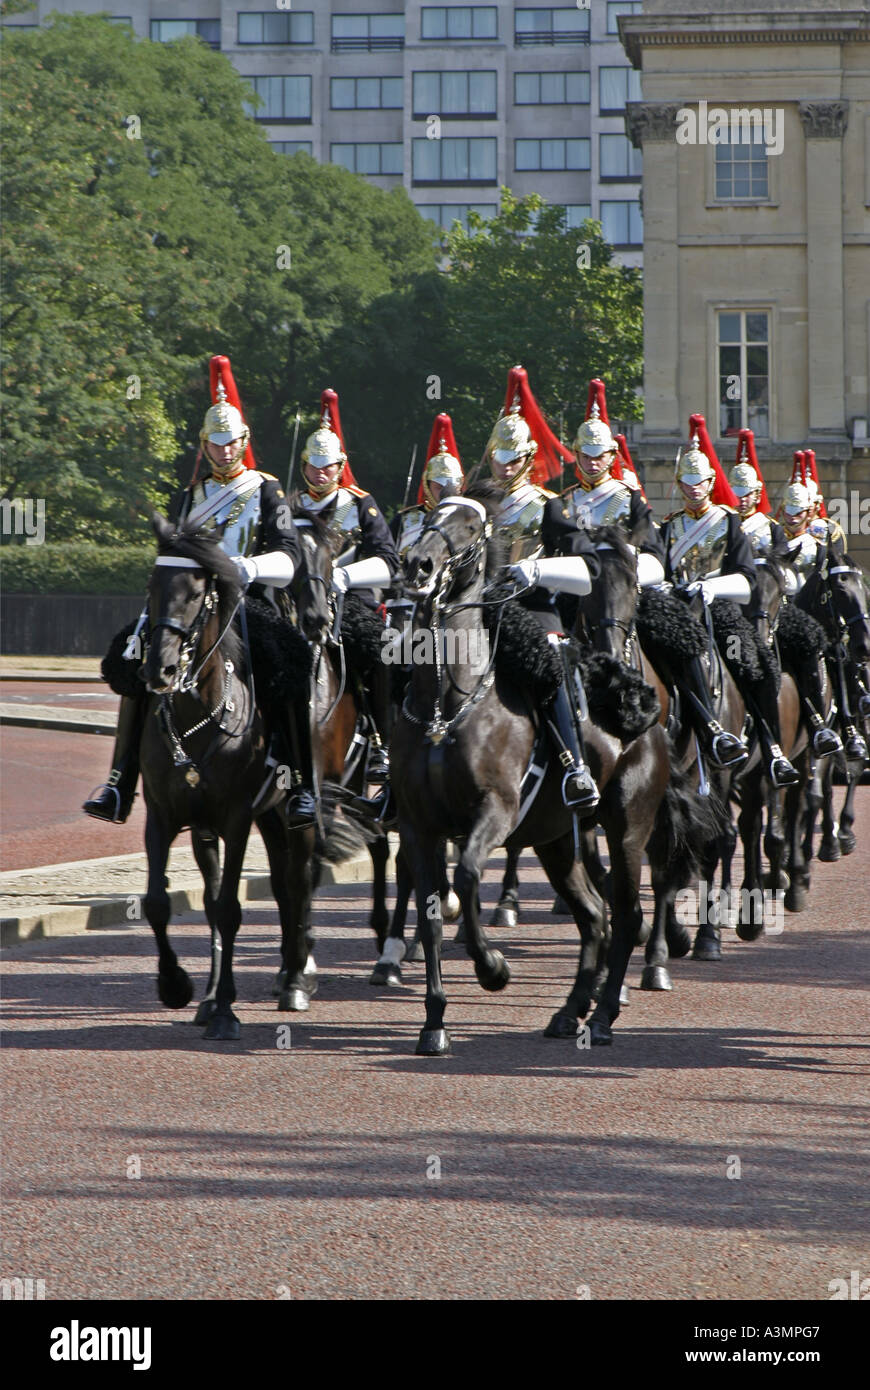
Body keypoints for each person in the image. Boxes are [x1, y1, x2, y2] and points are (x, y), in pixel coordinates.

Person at [83, 355, 315, 826]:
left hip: (250, 604)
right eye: (216, 443)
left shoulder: (266, 491)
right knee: (137, 661)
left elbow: (290, 558)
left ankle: (299, 785)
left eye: (232, 443)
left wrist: (245, 566)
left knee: (289, 667)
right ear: (205, 445)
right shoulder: (191, 495)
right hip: (192, 605)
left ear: (243, 443)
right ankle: (119, 781)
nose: (225, 452)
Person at [660, 416, 799, 784]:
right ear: (680, 485)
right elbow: (659, 570)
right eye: (686, 483)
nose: (693, 489)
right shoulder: (669, 526)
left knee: (751, 665)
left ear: (710, 483)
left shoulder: (727, 523)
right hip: (677, 611)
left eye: (700, 482)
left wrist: (713, 588)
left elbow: (747, 581)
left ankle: (772, 749)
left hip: (722, 612)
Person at [487, 365, 601, 810]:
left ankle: (574, 767)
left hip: (533, 612)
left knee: (550, 666)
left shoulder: (548, 506)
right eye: (500, 455)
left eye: (515, 458)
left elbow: (588, 567)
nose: (507, 465)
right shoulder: (474, 503)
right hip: (477, 610)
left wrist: (536, 572)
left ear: (529, 457)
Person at [294, 388, 400, 783]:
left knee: (377, 654)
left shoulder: (360, 505)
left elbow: (389, 563)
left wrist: (344, 576)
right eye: (314, 466)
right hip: (301, 604)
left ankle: (380, 742)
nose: (321, 473)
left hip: (352, 604)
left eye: (329, 467)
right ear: (304, 466)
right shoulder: (291, 508)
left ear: (340, 466)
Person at [780, 461, 864, 761]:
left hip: (817, 616)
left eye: (798, 512)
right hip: (782, 613)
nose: (792, 519)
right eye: (788, 512)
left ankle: (849, 725)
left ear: (811, 511)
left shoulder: (822, 541)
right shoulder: (776, 536)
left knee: (838, 658)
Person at [562, 376, 664, 572]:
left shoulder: (631, 499)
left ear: (611, 456)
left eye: (599, 456)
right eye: (586, 457)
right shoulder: (564, 501)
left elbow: (652, 551)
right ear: (577, 455)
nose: (592, 463)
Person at [391, 412, 464, 561]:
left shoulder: (469, 519)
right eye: (438, 487)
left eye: (451, 486)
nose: (445, 493)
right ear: (427, 485)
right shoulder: (405, 519)